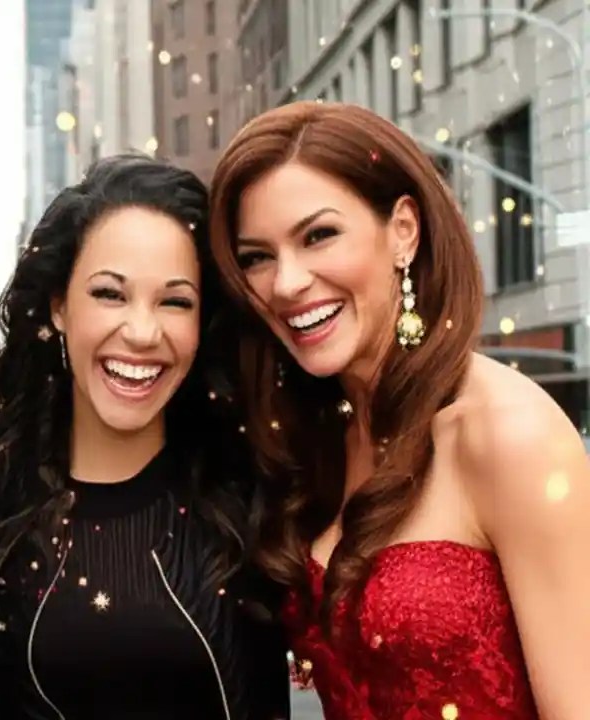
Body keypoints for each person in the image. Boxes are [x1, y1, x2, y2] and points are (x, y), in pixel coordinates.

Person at [208, 101, 590, 719]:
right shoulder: (316, 439)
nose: (286, 282)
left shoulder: (508, 435)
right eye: (257, 257)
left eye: (319, 235)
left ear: (403, 230)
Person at [0, 154, 289, 719]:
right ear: (59, 305)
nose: (141, 332)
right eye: (110, 294)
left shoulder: (252, 493)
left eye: (175, 301)